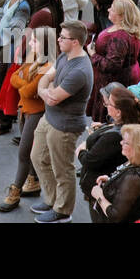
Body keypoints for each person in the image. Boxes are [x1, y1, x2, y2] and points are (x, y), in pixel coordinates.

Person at [30, 20, 93, 223]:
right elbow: (44, 80)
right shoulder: (64, 56)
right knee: (37, 157)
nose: (58, 39)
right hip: (50, 118)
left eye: (63, 37)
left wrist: (46, 92)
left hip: (65, 126)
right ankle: (52, 199)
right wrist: (43, 91)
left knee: (62, 169)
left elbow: (54, 97)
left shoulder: (80, 71)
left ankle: (63, 211)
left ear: (75, 42)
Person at [88, 124, 140, 223]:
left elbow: (115, 216)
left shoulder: (134, 178)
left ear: (137, 149)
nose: (121, 142)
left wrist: (99, 196)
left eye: (126, 142)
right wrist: (112, 180)